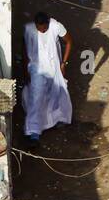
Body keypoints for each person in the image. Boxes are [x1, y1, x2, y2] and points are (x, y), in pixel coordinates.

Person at [22, 12, 72, 145]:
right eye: (39, 28)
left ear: (48, 23)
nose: (42, 30)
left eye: (44, 28)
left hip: (53, 65)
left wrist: (64, 63)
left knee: (57, 92)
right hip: (36, 67)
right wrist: (25, 68)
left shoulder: (56, 26)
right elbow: (25, 49)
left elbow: (69, 41)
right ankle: (34, 132)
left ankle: (56, 119)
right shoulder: (29, 29)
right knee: (36, 96)